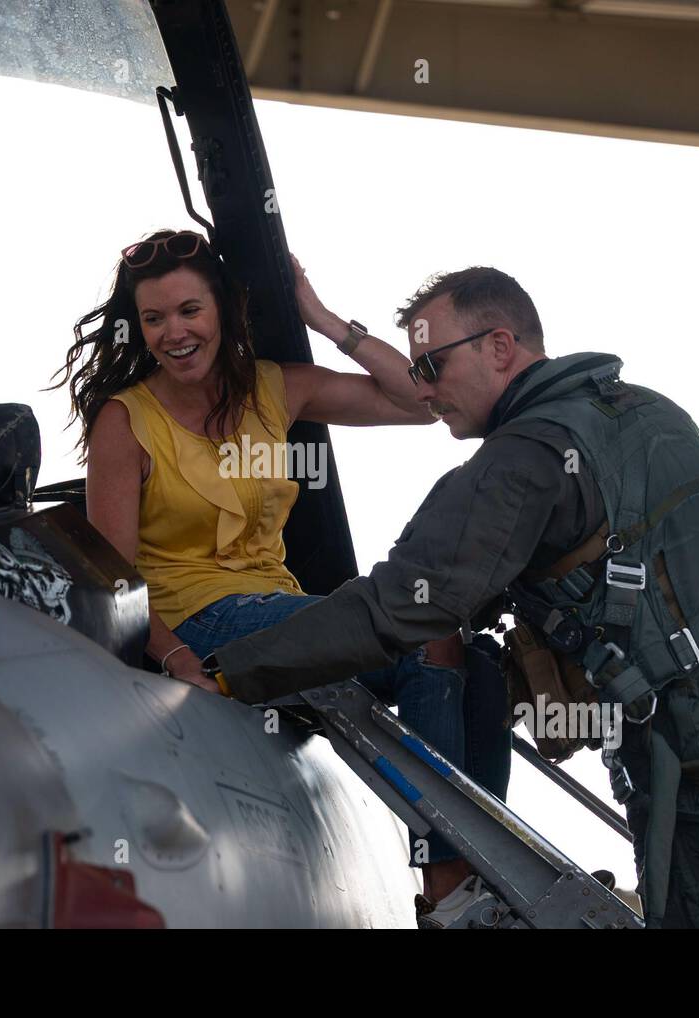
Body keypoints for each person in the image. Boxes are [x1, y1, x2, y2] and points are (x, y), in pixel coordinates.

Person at [204, 265, 699, 929]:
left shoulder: (528, 455)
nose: (423, 389)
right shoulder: (648, 411)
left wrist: (228, 671)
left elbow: (399, 607)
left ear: (500, 347)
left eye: (431, 365)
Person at [52, 229, 504, 915]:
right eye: (154, 318)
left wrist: (320, 317)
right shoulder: (125, 421)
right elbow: (112, 578)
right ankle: (447, 884)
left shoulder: (276, 389)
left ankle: (480, 866)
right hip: (202, 623)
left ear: (225, 312)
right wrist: (176, 658)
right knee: (420, 631)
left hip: (280, 612)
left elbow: (420, 403)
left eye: (189, 311)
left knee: (480, 663)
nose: (174, 332)